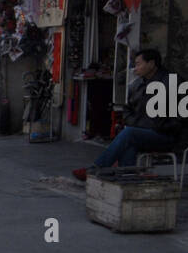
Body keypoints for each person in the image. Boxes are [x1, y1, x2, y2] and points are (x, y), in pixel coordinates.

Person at [73, 49, 182, 179]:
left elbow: (181, 117)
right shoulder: (138, 84)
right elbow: (127, 110)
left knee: (129, 134)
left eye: (138, 64)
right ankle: (127, 176)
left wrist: (160, 126)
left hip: (166, 136)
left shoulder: (172, 82)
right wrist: (138, 124)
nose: (135, 68)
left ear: (151, 63)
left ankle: (97, 168)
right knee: (129, 139)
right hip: (143, 132)